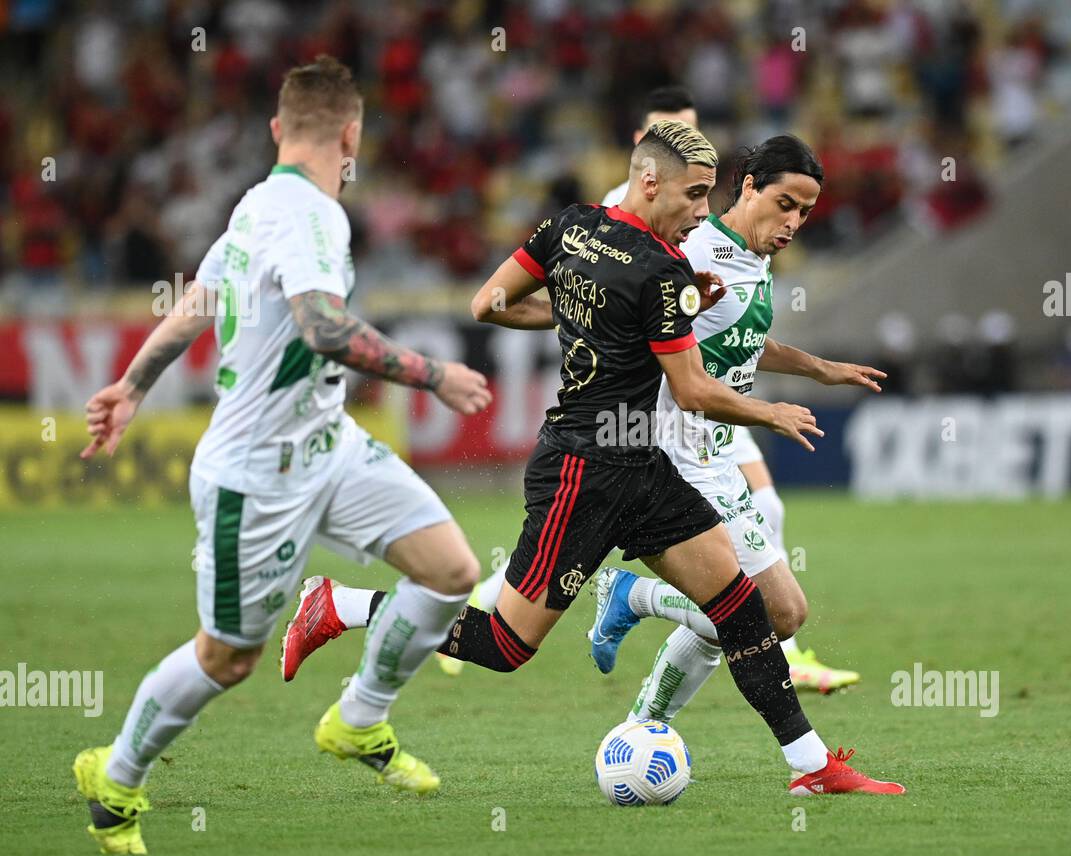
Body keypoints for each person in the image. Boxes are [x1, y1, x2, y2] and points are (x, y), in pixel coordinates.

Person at [284, 120, 906, 797]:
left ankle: (810, 766)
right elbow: (693, 389)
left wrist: (589, 316)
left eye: (707, 196)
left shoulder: (569, 226)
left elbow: (488, 303)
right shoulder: (667, 270)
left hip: (641, 463)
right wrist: (771, 411)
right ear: (650, 182)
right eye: (694, 195)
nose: (701, 211)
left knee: (741, 607)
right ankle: (340, 605)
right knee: (503, 646)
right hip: (583, 468)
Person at [73, 56, 492, 855]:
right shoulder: (312, 215)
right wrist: (435, 374)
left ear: (277, 130)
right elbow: (324, 328)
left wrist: (131, 384)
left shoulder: (257, 202)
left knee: (449, 571)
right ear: (352, 134)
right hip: (256, 476)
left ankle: (358, 720)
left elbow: (200, 296)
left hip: (329, 446)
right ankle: (116, 775)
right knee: (227, 659)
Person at [587, 135, 886, 727]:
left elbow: (744, 340)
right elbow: (657, 336)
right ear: (748, 186)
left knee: (765, 614)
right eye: (785, 204)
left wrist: (819, 369)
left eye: (805, 211)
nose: (794, 221)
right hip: (673, 452)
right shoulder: (694, 249)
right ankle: (633, 597)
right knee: (775, 614)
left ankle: (645, 725)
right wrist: (770, 412)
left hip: (715, 453)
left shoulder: (752, 258)